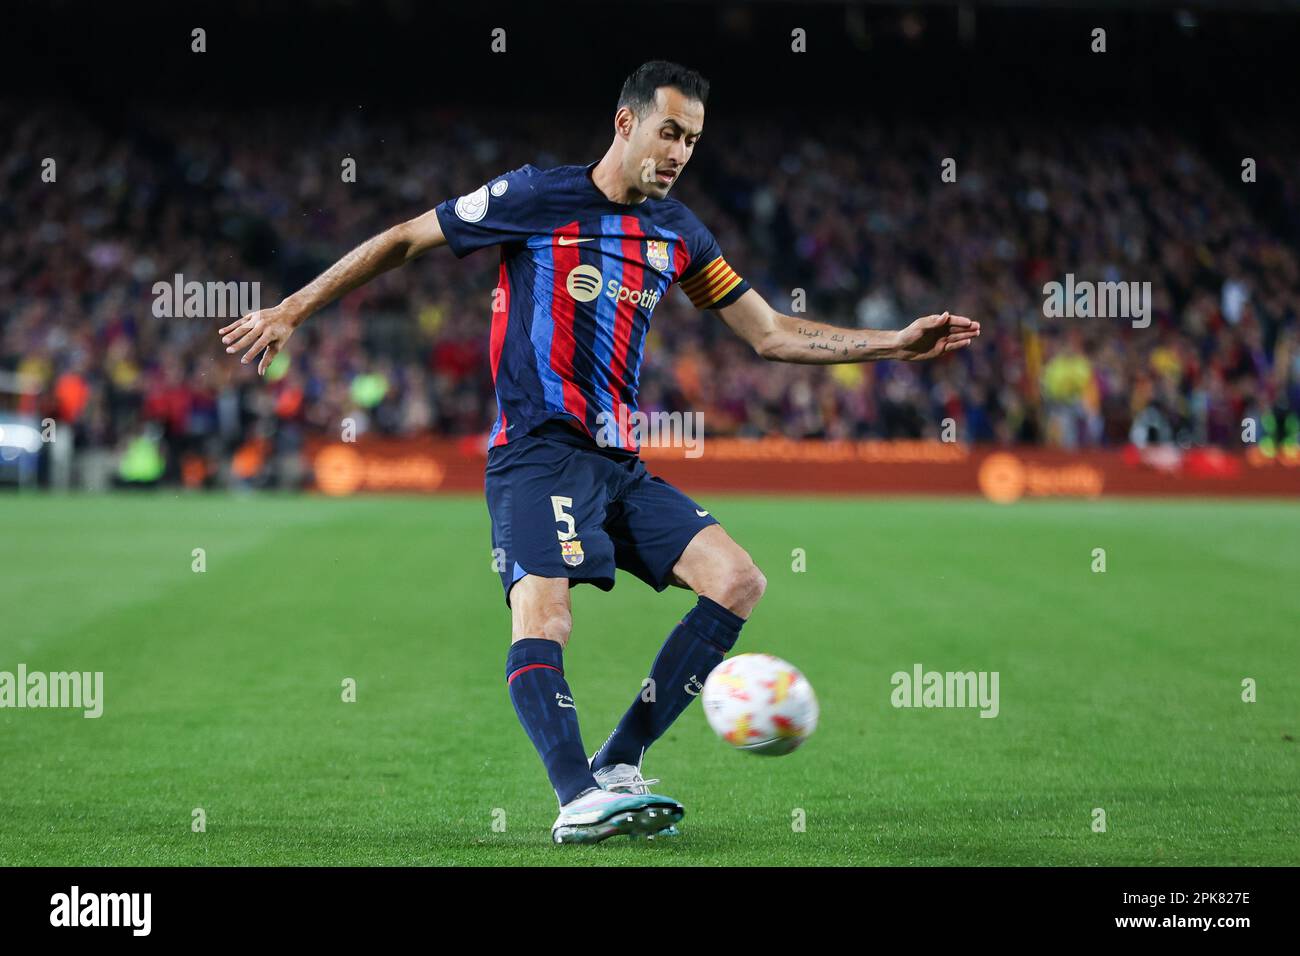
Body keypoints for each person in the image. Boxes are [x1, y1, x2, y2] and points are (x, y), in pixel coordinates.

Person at [218, 60, 979, 843]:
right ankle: (576, 797)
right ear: (626, 122)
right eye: (670, 131)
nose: (681, 151)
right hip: (537, 452)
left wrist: (894, 343)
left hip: (617, 463)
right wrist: (293, 307)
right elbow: (409, 238)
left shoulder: (678, 231)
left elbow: (771, 333)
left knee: (737, 579)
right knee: (544, 614)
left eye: (693, 139)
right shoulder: (535, 197)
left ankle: (618, 764)